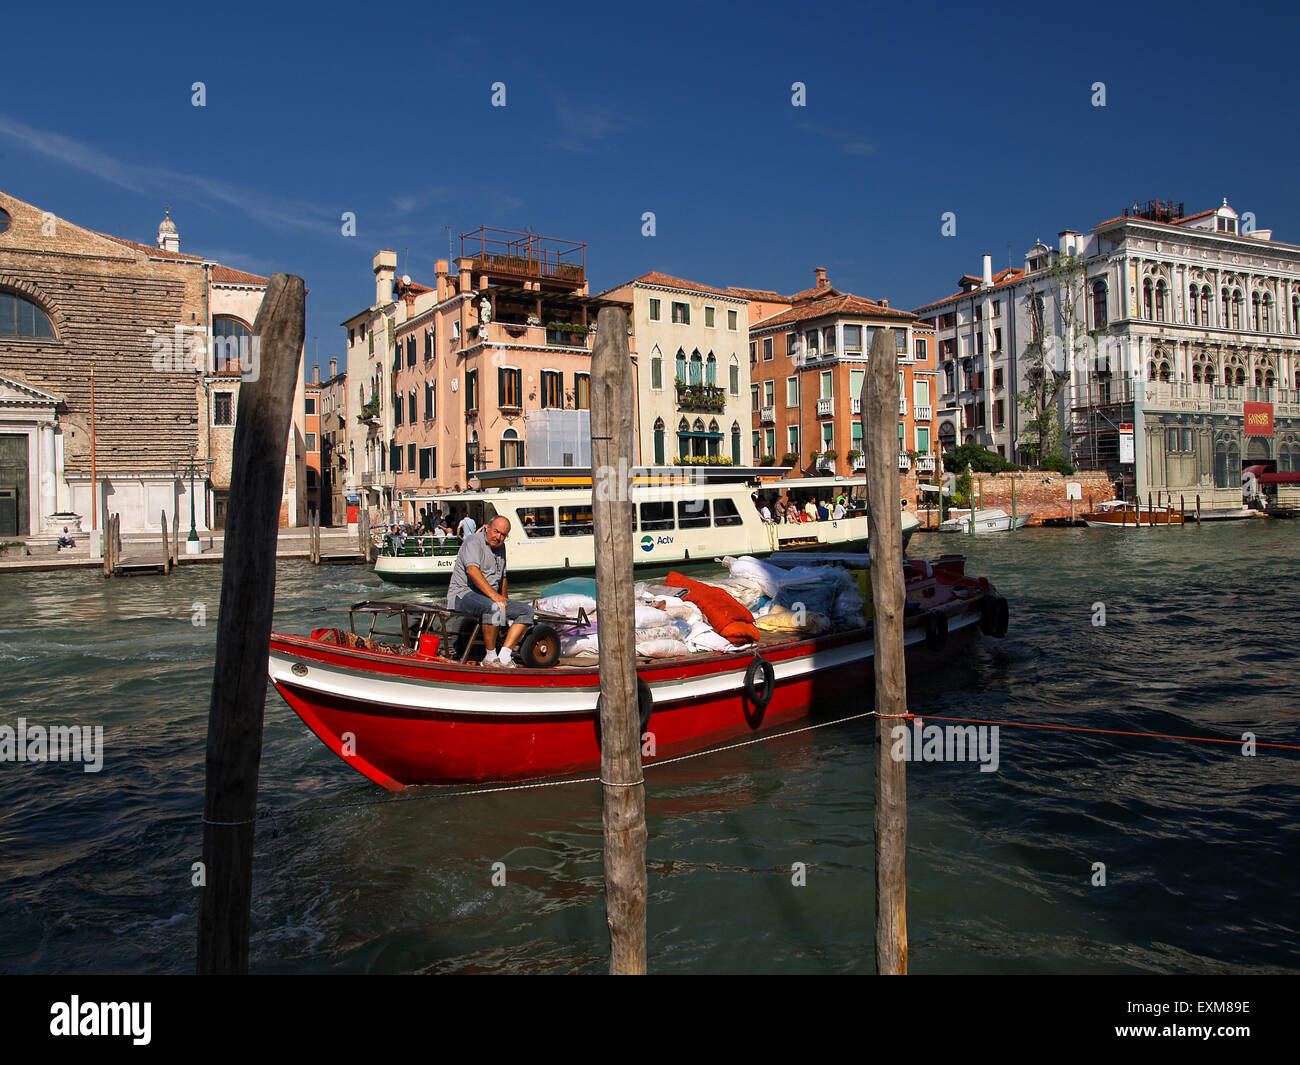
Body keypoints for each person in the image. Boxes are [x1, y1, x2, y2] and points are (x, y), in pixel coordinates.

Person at [446, 516, 533, 667]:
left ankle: (504, 656)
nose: (498, 537)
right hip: (463, 594)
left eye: (503, 535)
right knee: (494, 607)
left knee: (527, 611)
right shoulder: (473, 542)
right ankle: (490, 657)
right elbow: (472, 570)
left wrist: (505, 601)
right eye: (496, 532)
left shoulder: (501, 547)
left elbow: (503, 577)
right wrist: (495, 597)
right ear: (487, 528)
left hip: (489, 598)